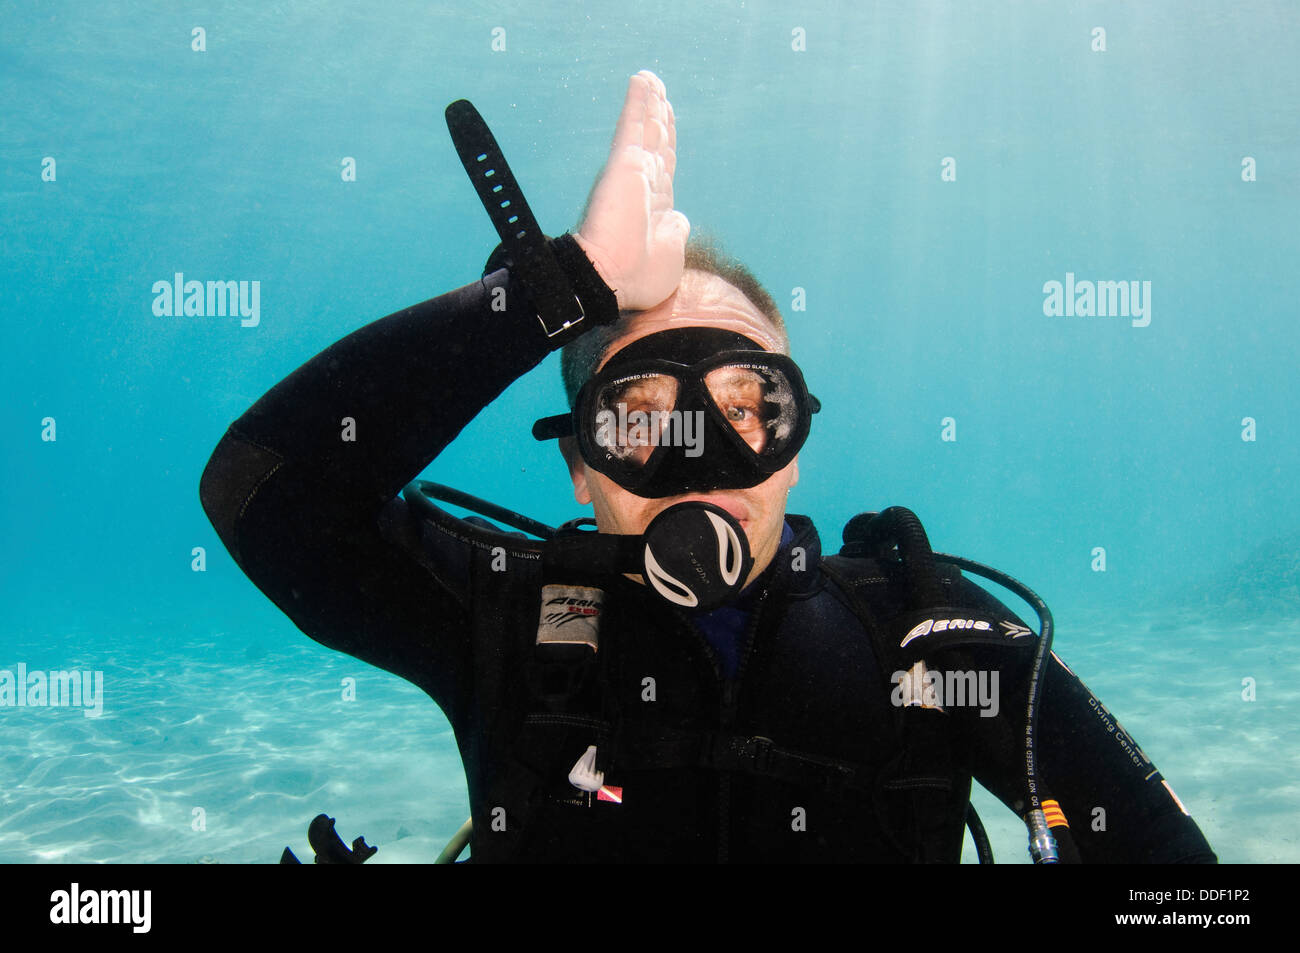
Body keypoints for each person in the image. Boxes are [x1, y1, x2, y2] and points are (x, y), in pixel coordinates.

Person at [199, 71, 1215, 863]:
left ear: (795, 449)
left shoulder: (926, 641)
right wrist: (551, 293)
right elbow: (259, 487)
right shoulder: (502, 618)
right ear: (581, 471)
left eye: (746, 409)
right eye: (643, 419)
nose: (701, 462)